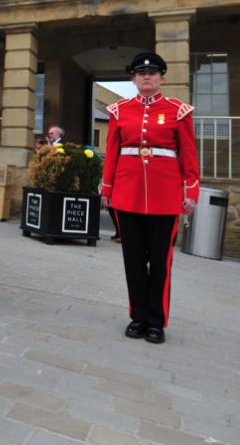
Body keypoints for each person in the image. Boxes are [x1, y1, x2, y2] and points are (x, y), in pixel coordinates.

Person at [100, 52, 199, 345]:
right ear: (134, 78)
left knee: (159, 262)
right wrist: (107, 189)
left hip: (164, 197)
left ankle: (157, 321)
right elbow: (112, 153)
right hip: (127, 195)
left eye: (153, 72)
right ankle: (137, 317)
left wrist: (190, 191)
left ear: (161, 78)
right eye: (141, 73)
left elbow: (189, 156)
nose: (146, 76)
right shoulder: (119, 111)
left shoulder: (178, 111)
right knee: (132, 260)